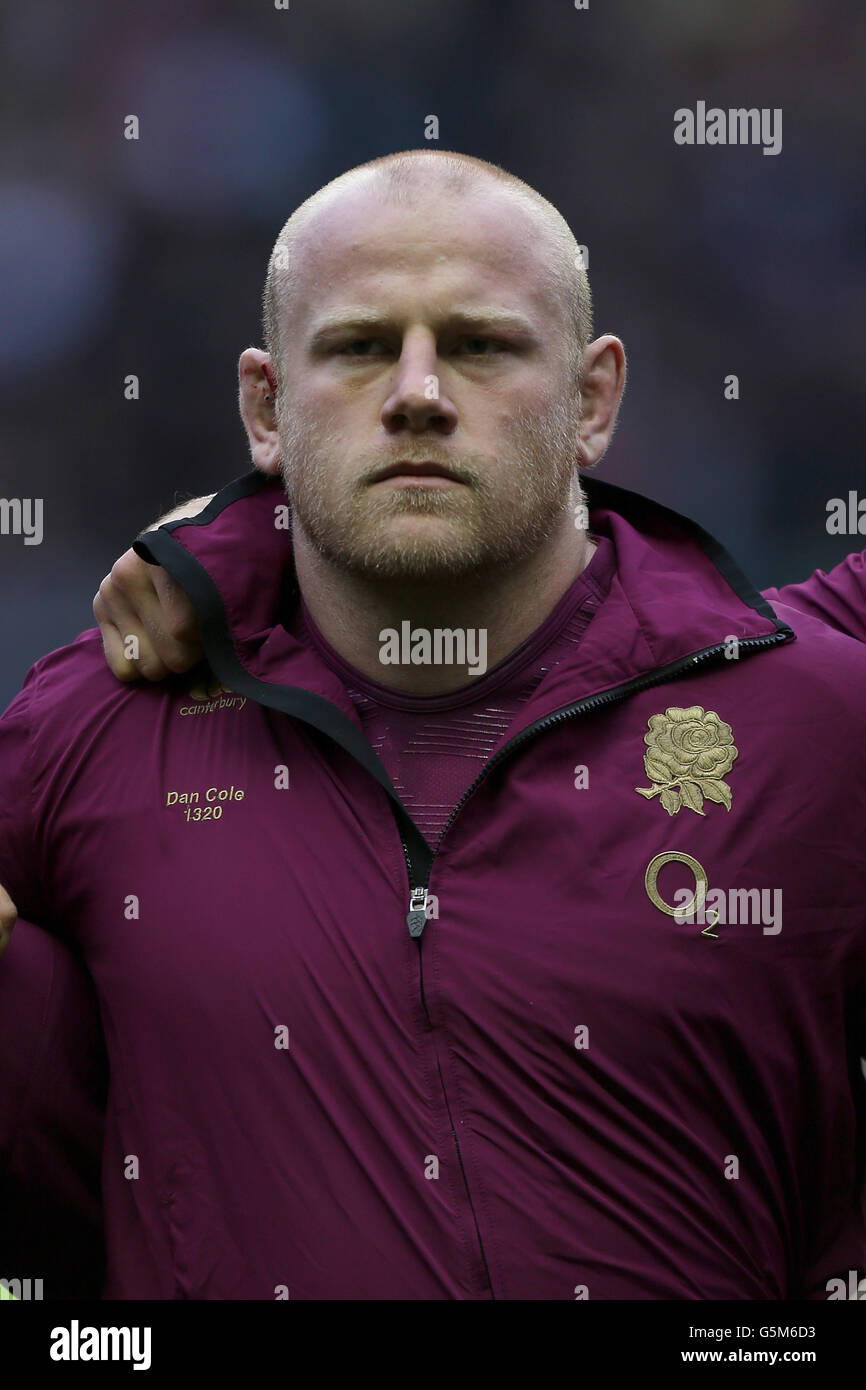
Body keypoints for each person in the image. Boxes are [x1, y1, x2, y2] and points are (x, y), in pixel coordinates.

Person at [1, 148, 865, 1300]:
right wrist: (226, 558)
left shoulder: (805, 709)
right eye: (359, 348)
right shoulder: (99, 723)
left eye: (480, 345)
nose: (416, 392)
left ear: (592, 400)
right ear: (264, 406)